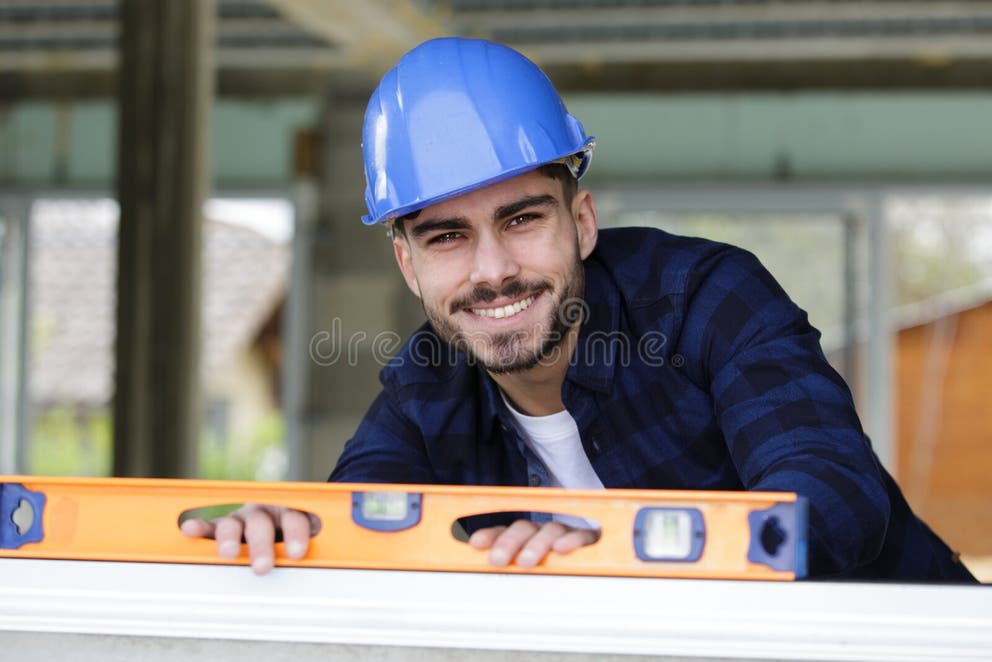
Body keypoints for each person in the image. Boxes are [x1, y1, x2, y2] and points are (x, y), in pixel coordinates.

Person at [182, 37, 976, 583]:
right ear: (409, 264)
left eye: (522, 219)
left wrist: (620, 548)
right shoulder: (426, 392)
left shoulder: (705, 299)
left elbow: (834, 496)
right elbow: (360, 520)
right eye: (448, 236)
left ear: (582, 222)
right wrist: (281, 536)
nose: (493, 271)